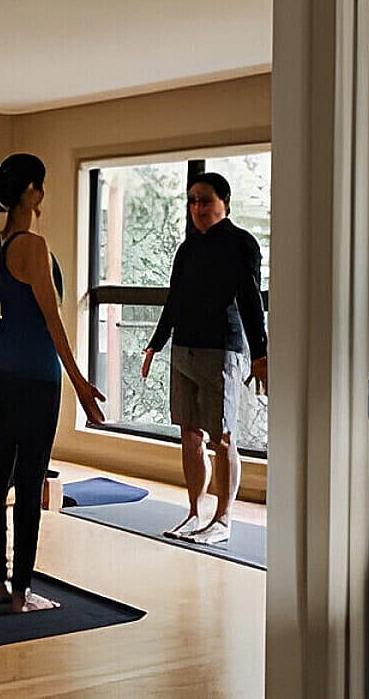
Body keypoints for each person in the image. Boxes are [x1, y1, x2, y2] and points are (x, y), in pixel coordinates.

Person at [0, 153, 106, 613]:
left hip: (2, 370)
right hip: (38, 376)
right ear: (32, 192)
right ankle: (21, 592)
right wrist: (81, 383)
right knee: (29, 481)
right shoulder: (34, 246)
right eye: (41, 186)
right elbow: (51, 318)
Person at [140, 172, 268, 546]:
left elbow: (250, 300)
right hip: (185, 348)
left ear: (223, 203)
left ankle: (223, 519)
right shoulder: (188, 248)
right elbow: (174, 300)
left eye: (204, 200)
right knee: (189, 435)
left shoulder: (241, 244)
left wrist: (260, 354)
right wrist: (155, 344)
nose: (197, 207)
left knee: (223, 438)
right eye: (192, 200)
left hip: (223, 350)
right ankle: (196, 511)